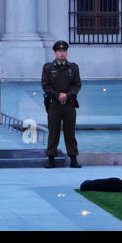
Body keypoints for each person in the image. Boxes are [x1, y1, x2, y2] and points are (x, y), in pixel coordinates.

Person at [41, 40, 82, 168]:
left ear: (66, 52)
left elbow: (77, 85)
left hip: (69, 104)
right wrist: (57, 95)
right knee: (53, 132)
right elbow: (45, 85)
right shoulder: (48, 68)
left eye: (63, 51)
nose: (61, 53)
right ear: (54, 53)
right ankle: (51, 159)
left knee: (70, 132)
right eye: (59, 51)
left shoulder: (73, 67)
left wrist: (68, 95)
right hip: (54, 105)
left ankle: (73, 159)